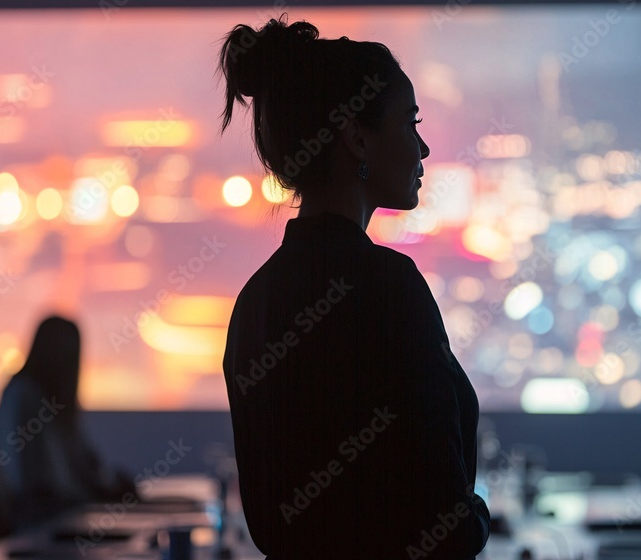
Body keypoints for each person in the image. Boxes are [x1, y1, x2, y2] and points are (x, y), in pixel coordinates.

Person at [217, 15, 490, 560]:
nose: (424, 149)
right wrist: (478, 517)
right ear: (357, 136)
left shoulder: (255, 303)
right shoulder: (389, 288)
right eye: (410, 122)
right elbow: (440, 517)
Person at [0, 316, 136, 527]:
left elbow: (82, 466)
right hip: (45, 523)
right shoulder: (24, 398)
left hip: (60, 516)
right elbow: (33, 485)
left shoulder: (49, 403)